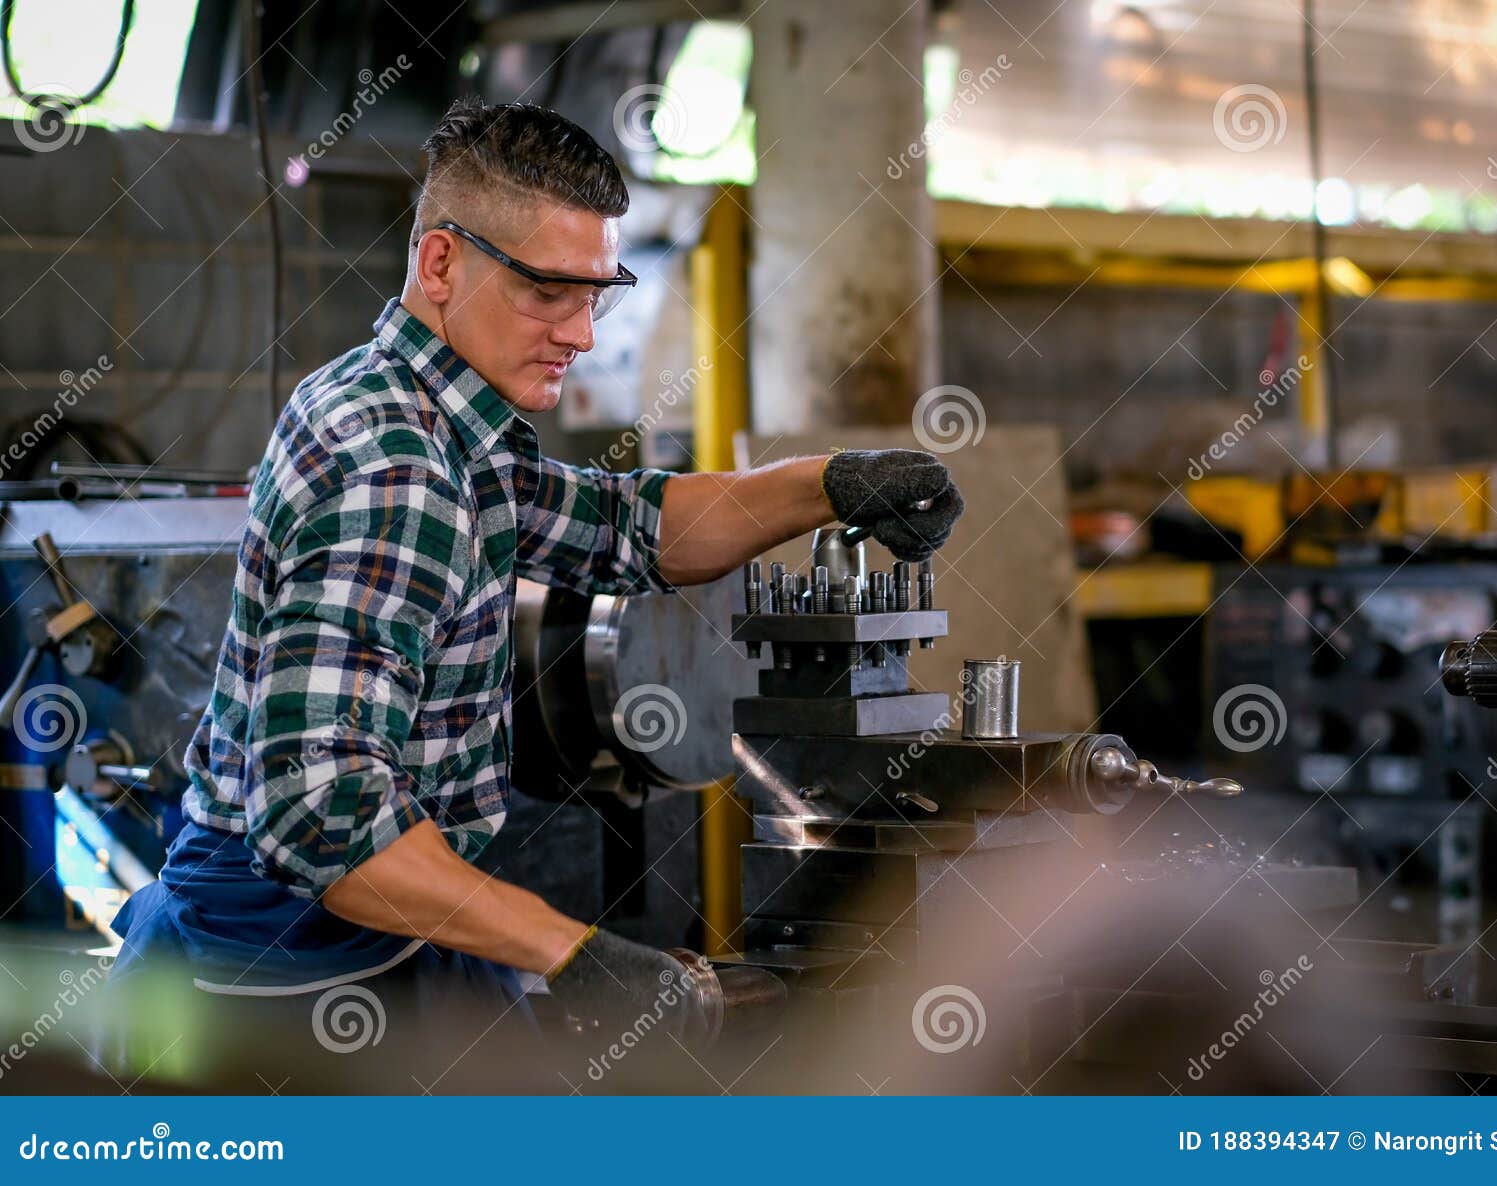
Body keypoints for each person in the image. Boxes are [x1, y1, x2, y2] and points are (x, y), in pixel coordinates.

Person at [109, 98, 963, 1047]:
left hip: (377, 926)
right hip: (293, 965)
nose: (583, 332)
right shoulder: (395, 466)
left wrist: (833, 484)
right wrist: (574, 953)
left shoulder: (432, 419)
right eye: (549, 291)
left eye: (597, 293)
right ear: (441, 262)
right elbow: (324, 813)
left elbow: (625, 525)